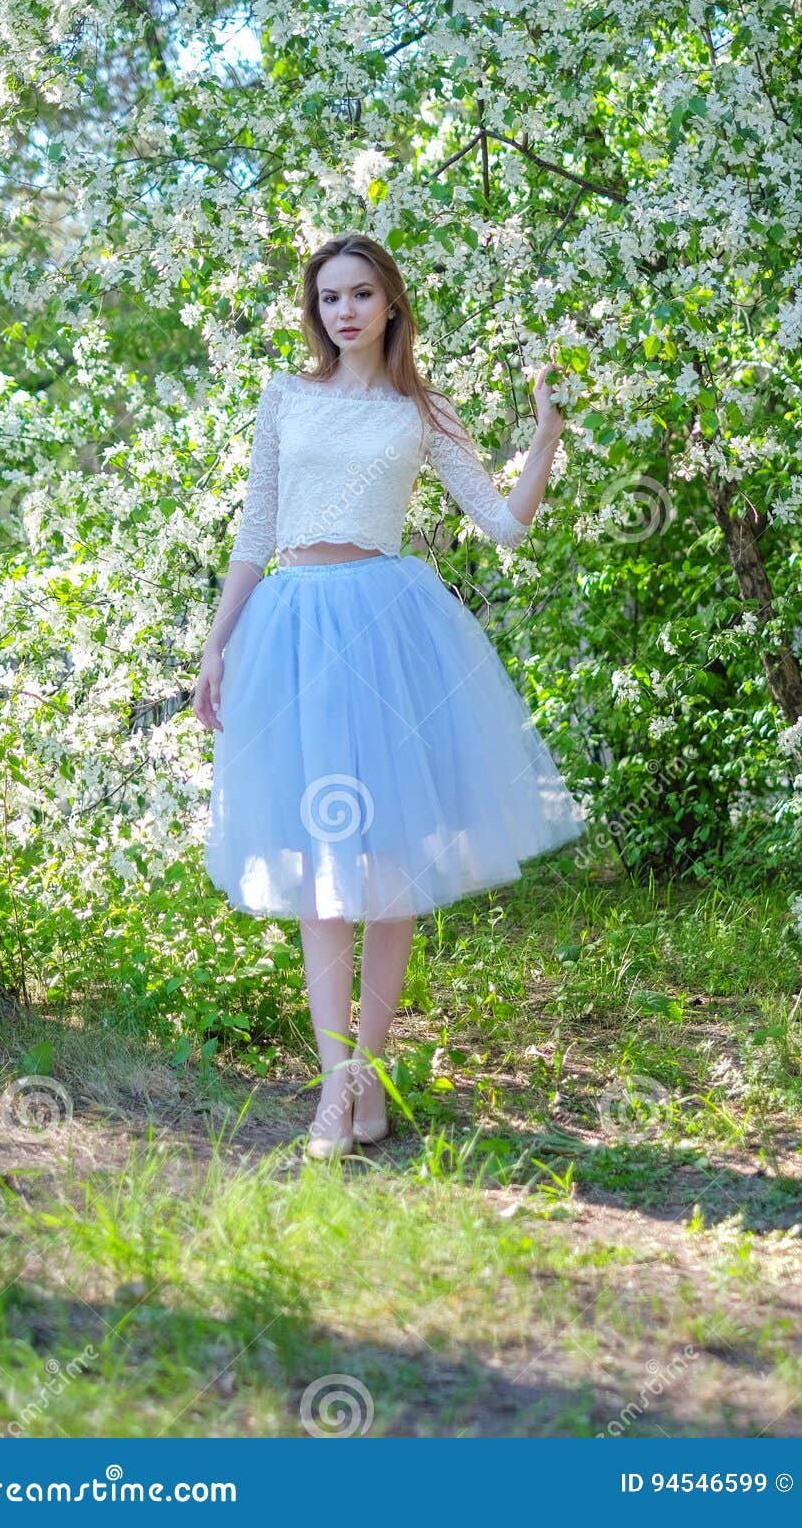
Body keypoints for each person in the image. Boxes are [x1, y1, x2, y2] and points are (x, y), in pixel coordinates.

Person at [192, 232, 586, 1158]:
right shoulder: (285, 396)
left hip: (385, 625)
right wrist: (215, 647)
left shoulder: (420, 409)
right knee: (319, 869)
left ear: (391, 303)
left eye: (361, 294)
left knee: (390, 866)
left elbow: (502, 527)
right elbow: (253, 530)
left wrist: (545, 435)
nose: (345, 311)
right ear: (315, 310)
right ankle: (337, 1089)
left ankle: (365, 1076)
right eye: (330, 297)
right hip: (292, 629)